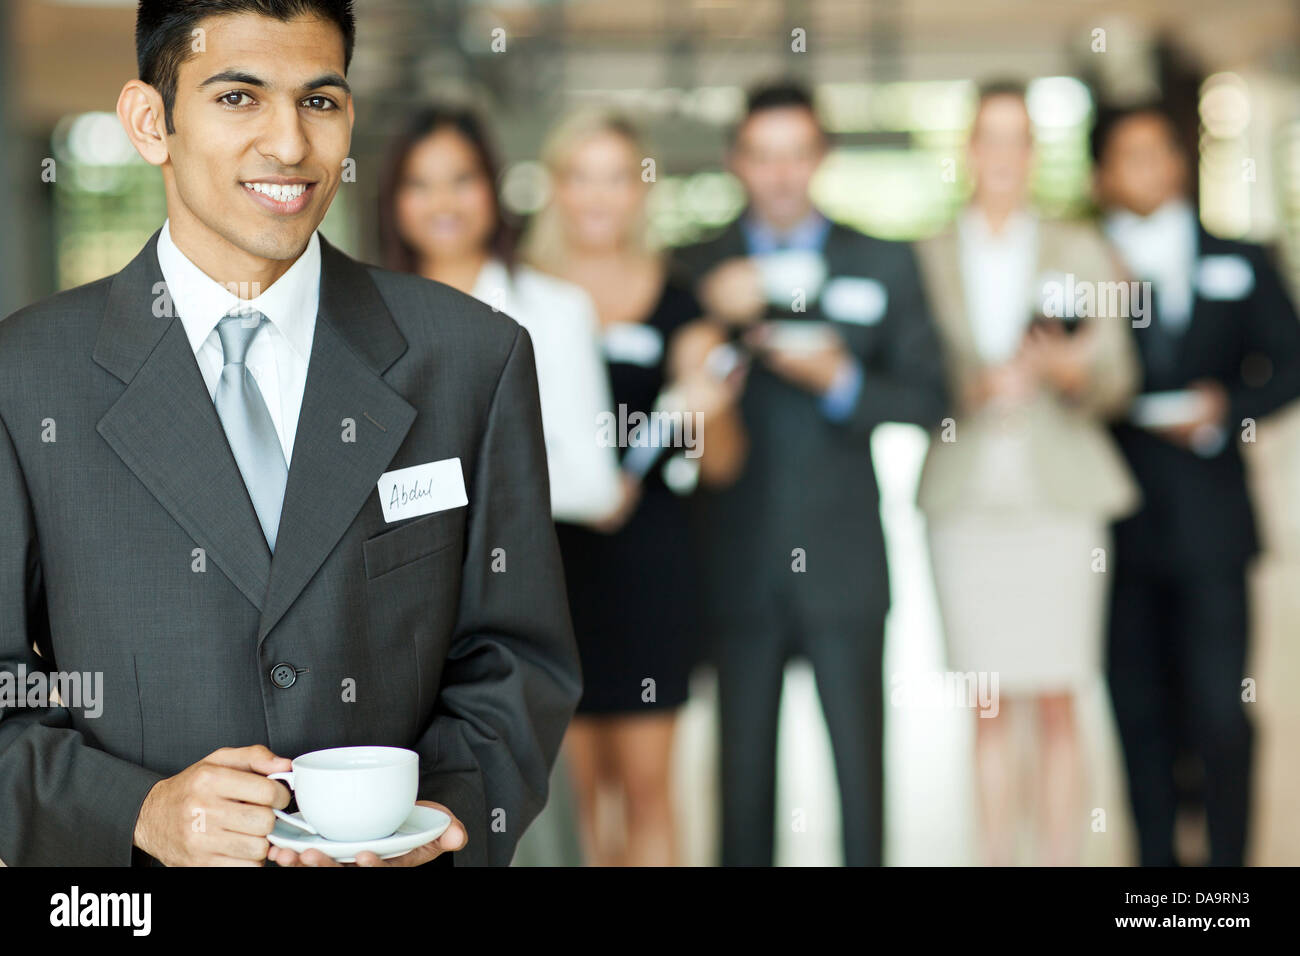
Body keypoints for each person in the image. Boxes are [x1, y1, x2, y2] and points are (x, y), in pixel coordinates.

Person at [0, 0, 580, 867]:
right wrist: (140, 812)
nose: (289, 145)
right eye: (239, 98)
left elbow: (518, 656)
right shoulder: (26, 374)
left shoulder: (469, 356)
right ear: (149, 121)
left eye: (320, 101)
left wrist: (443, 814)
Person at [675, 80, 949, 866]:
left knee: (863, 786)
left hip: (845, 561)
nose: (782, 174)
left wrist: (842, 381)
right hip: (734, 558)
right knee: (741, 792)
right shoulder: (697, 265)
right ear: (737, 163)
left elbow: (932, 398)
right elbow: (670, 400)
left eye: (797, 154)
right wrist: (716, 320)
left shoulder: (882, 260)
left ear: (820, 158)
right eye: (763, 156)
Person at [914, 81, 1139, 865]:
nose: (1004, 155)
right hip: (967, 498)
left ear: (1033, 155)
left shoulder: (1080, 249)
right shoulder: (929, 251)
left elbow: (1117, 379)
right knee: (985, 700)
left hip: (1060, 495)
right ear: (970, 151)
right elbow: (912, 373)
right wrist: (968, 389)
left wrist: (1069, 371)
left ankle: (1058, 859)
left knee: (1057, 696)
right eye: (990, 138)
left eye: (1020, 139)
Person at [520, 109, 747, 866]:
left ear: (640, 190)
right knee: (575, 798)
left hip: (653, 566)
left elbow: (718, 468)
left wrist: (706, 404)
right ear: (555, 187)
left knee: (648, 790)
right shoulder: (517, 294)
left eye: (617, 177)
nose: (598, 196)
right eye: (581, 175)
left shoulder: (682, 304)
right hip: (546, 571)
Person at [1092, 102, 1300, 866]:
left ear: (1180, 162)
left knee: (1223, 707)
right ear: (1103, 175)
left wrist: (1227, 409)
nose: (1147, 168)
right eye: (1128, 155)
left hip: (1213, 518)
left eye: (1159, 151)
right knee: (1140, 710)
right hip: (1118, 522)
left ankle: (1226, 874)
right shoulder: (1083, 265)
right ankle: (1154, 878)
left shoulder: (1240, 258)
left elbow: (1290, 364)